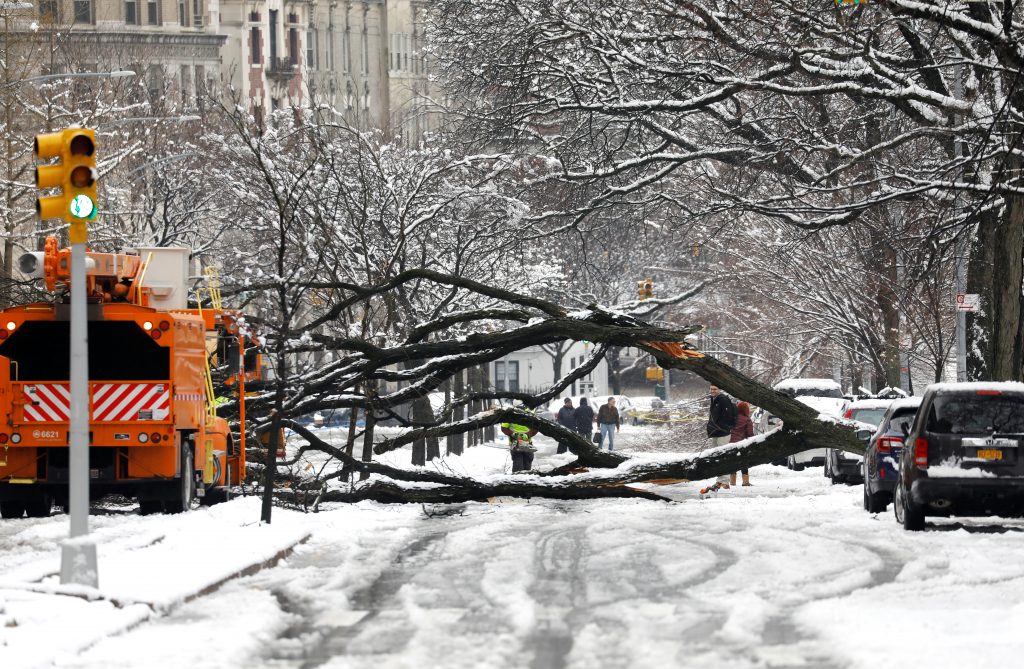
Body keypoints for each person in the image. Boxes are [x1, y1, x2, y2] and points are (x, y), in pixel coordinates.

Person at [702, 385, 737, 492]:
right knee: (717, 457)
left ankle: (724, 481)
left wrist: (721, 426)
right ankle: (722, 480)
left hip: (723, 433)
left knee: (723, 456)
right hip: (716, 433)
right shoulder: (714, 399)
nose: (712, 391)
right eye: (711, 389)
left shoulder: (723, 400)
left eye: (715, 389)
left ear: (719, 390)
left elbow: (728, 416)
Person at [729, 401, 754, 486]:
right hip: (742, 444)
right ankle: (745, 482)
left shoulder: (732, 418)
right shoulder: (747, 420)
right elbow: (750, 434)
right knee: (743, 461)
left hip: (730, 443)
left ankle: (732, 482)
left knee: (732, 461)